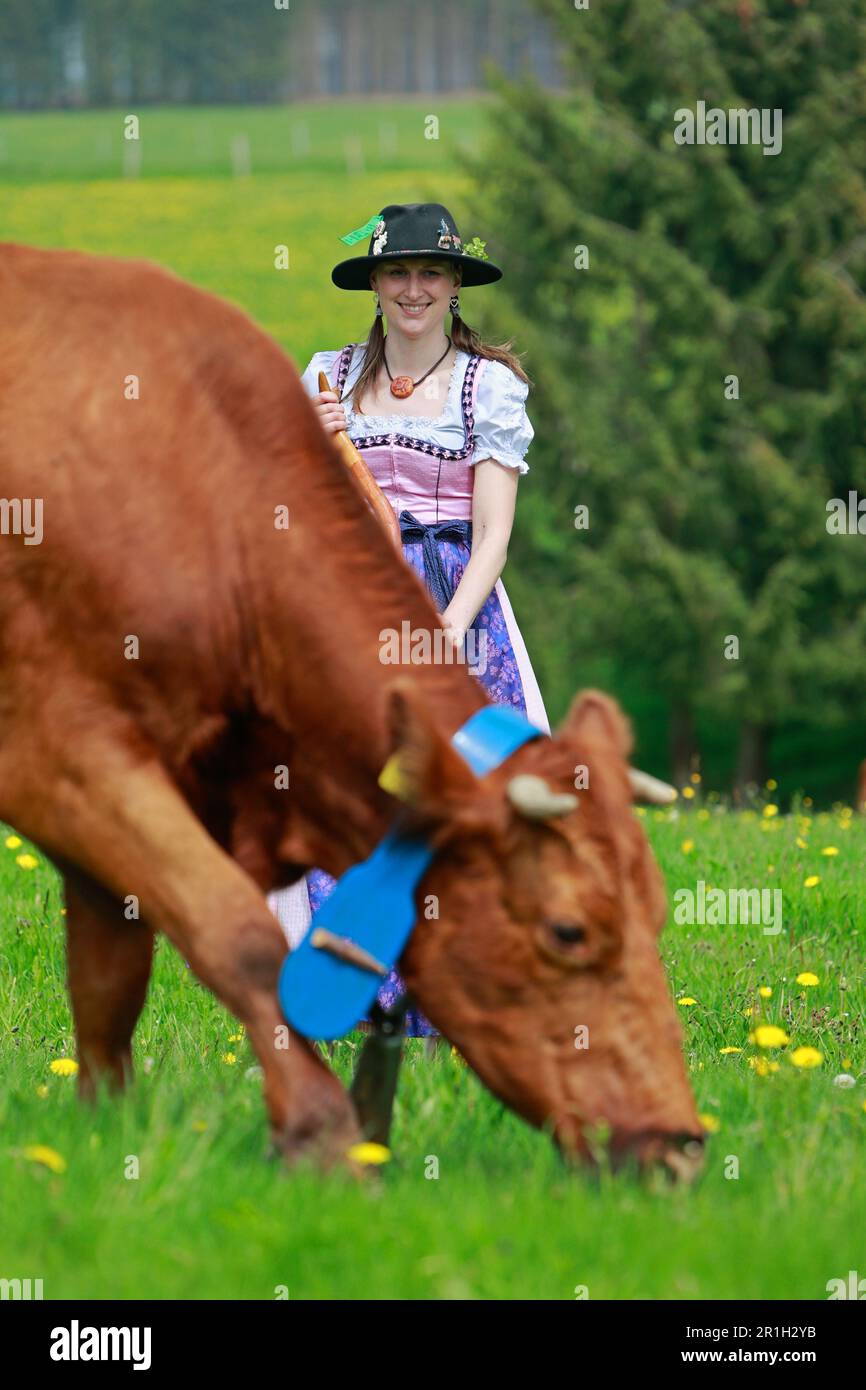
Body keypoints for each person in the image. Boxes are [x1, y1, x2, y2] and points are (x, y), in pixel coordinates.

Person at [269, 202, 549, 1038]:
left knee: (455, 798)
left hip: (457, 609)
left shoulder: (487, 387)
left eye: (432, 272)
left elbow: (494, 533)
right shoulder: (327, 376)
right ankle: (361, 993)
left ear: (456, 284)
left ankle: (455, 993)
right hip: (351, 607)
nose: (415, 288)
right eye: (399, 272)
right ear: (377, 284)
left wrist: (450, 627)